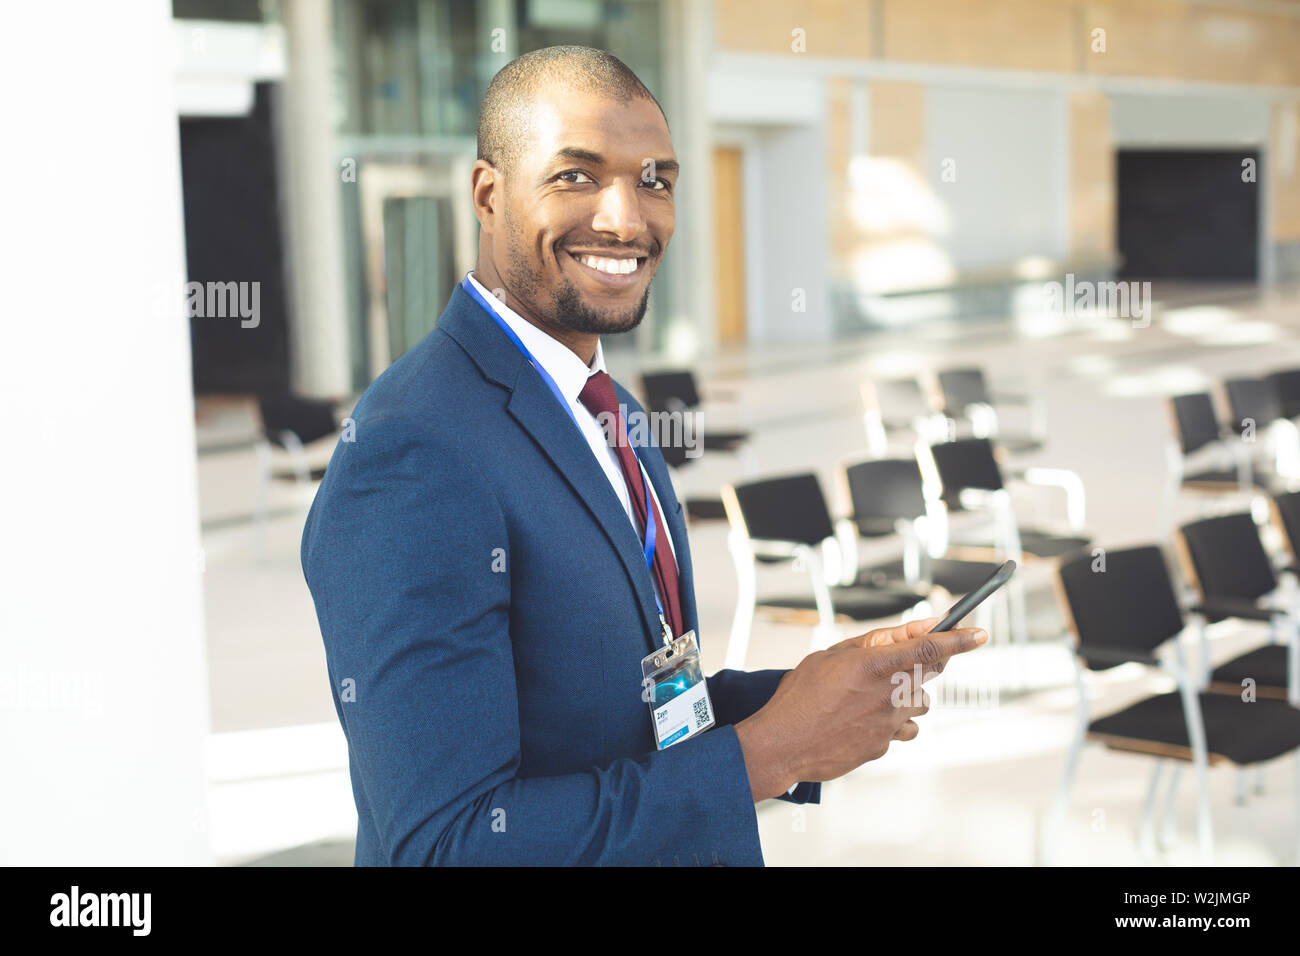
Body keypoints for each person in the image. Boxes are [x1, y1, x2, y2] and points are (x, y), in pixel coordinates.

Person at [301, 45, 986, 866]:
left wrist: (809, 696)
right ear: (488, 195)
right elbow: (449, 844)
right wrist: (771, 754)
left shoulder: (609, 409)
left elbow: (636, 709)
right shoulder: (414, 450)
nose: (627, 220)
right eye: (576, 176)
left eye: (655, 179)